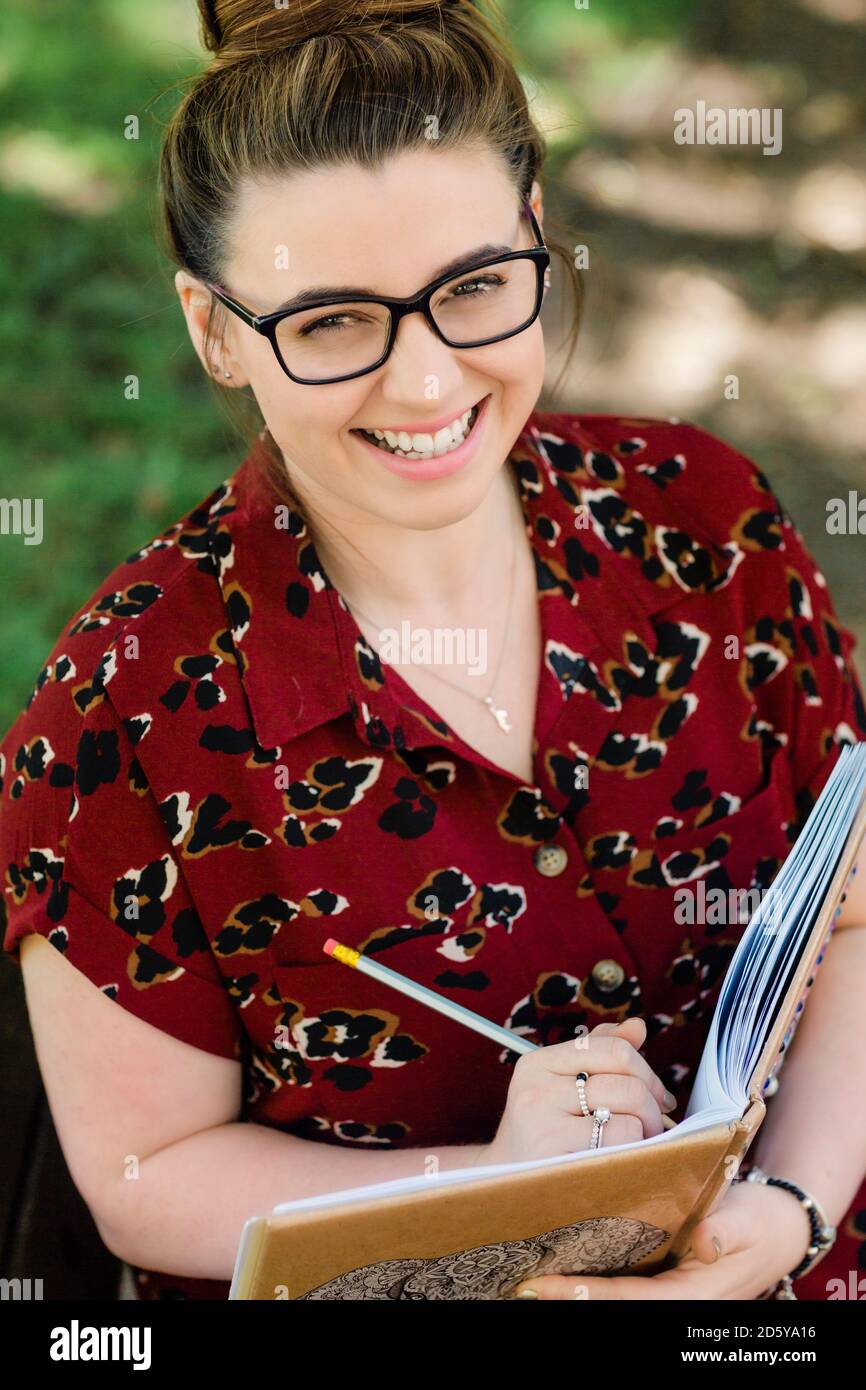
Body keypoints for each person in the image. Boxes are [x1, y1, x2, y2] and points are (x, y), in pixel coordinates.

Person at [3, 0, 865, 1303]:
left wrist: (795, 1203)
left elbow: (852, 919)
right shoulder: (117, 711)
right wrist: (481, 1192)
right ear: (215, 328)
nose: (425, 385)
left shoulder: (706, 515)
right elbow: (144, 1167)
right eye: (335, 320)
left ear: (532, 230)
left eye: (472, 289)